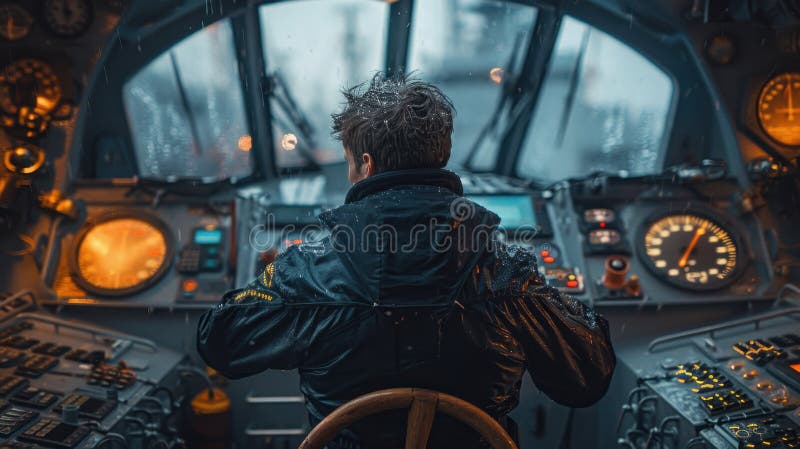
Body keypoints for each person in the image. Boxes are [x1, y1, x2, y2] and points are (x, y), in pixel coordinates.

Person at [197, 74, 615, 449]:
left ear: (365, 165)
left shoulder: (307, 272)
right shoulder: (507, 272)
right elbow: (588, 377)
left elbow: (219, 342)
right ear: (439, 156)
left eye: (349, 162)